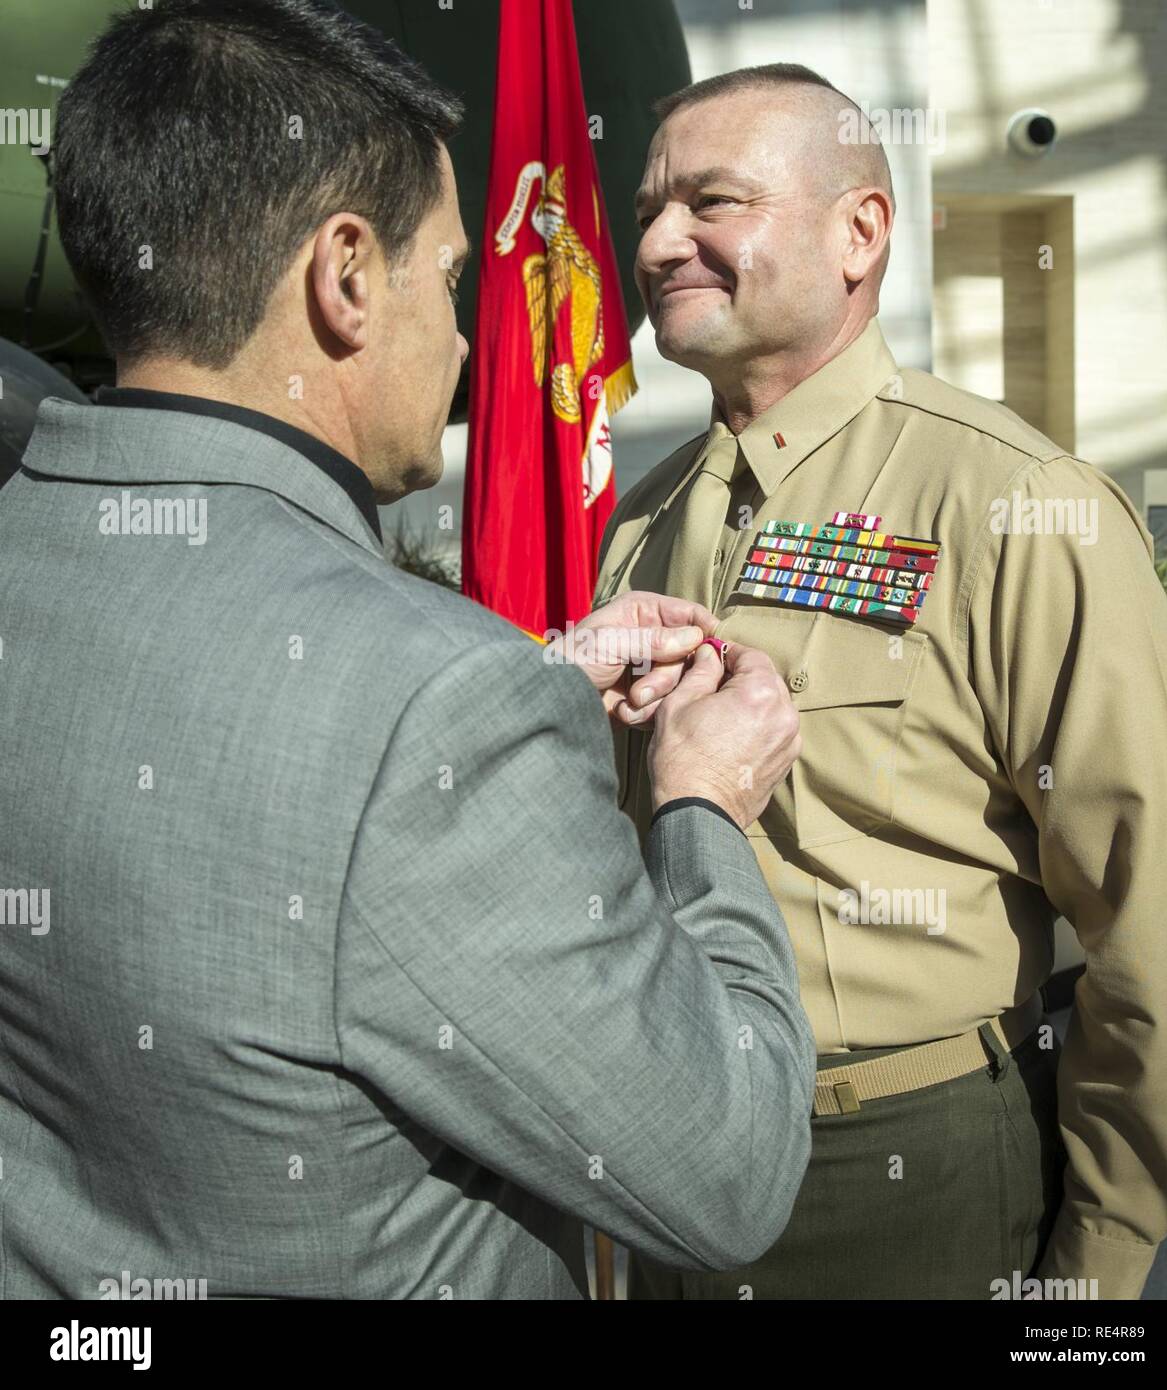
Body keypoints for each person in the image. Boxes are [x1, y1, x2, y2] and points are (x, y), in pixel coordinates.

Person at [0, 1, 815, 1300]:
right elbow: (724, 1167)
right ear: (343, 278)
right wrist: (699, 803)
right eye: (449, 278)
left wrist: (519, 690)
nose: (470, 333)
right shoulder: (427, 700)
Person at [597, 62, 1167, 1300]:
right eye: (649, 207)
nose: (656, 241)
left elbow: (1149, 923)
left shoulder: (1015, 507)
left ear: (859, 231)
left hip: (906, 1172)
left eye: (713, 202)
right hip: (671, 1157)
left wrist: (1104, 1263)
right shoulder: (640, 528)